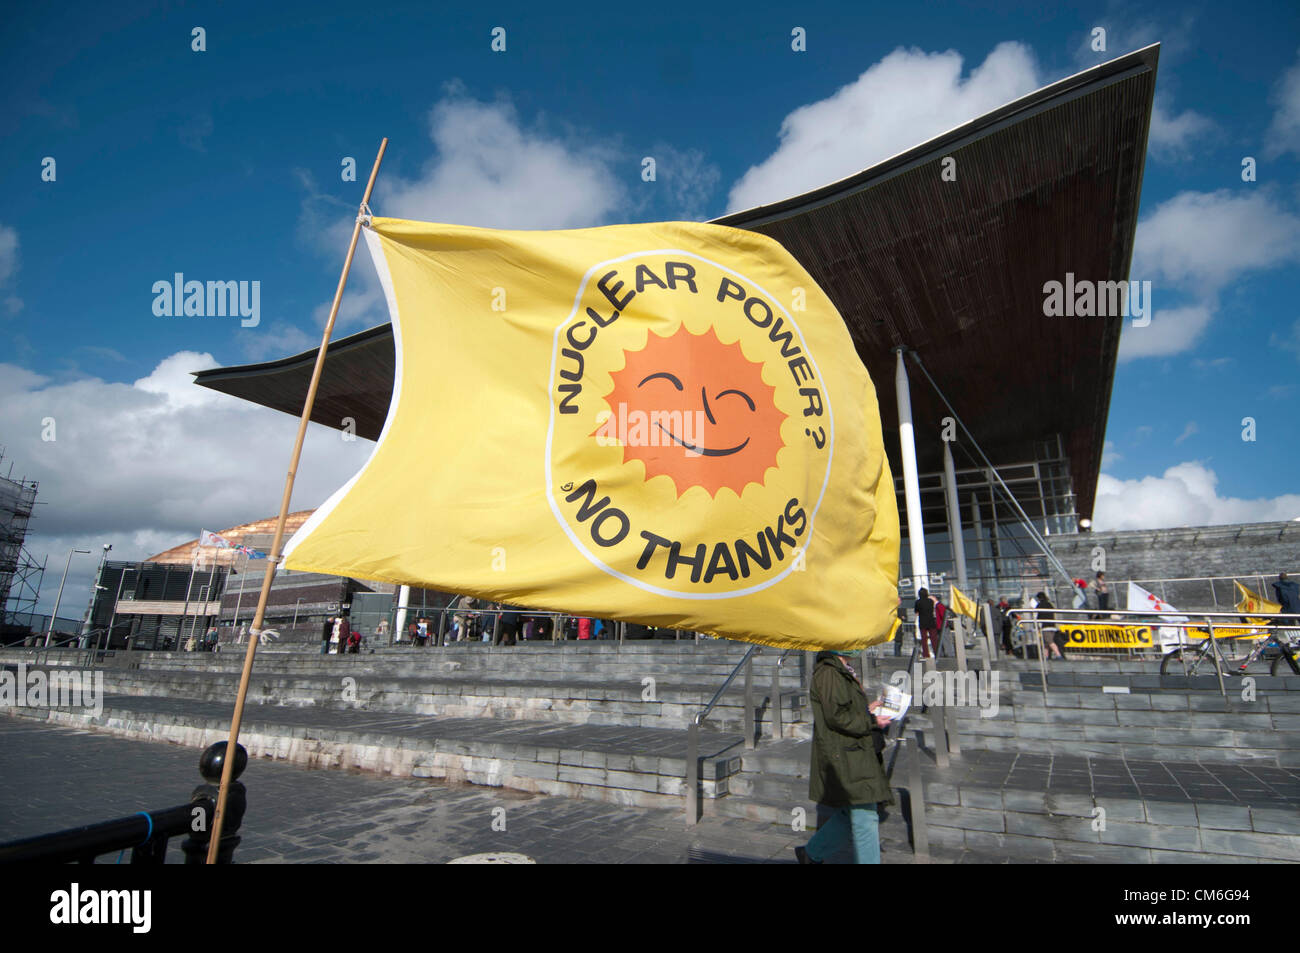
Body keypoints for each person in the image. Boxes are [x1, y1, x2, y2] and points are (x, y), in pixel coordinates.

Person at [796, 648, 894, 865]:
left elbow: (841, 709)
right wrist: (871, 721)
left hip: (852, 751)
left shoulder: (840, 670)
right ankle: (812, 853)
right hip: (844, 753)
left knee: (851, 813)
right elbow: (837, 717)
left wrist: (867, 710)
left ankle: (811, 853)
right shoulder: (829, 672)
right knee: (865, 816)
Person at [913, 588, 939, 659]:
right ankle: (937, 652)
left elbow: (916, 612)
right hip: (931, 621)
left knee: (924, 639)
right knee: (934, 639)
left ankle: (926, 654)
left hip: (922, 621)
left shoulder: (918, 602)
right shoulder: (930, 601)